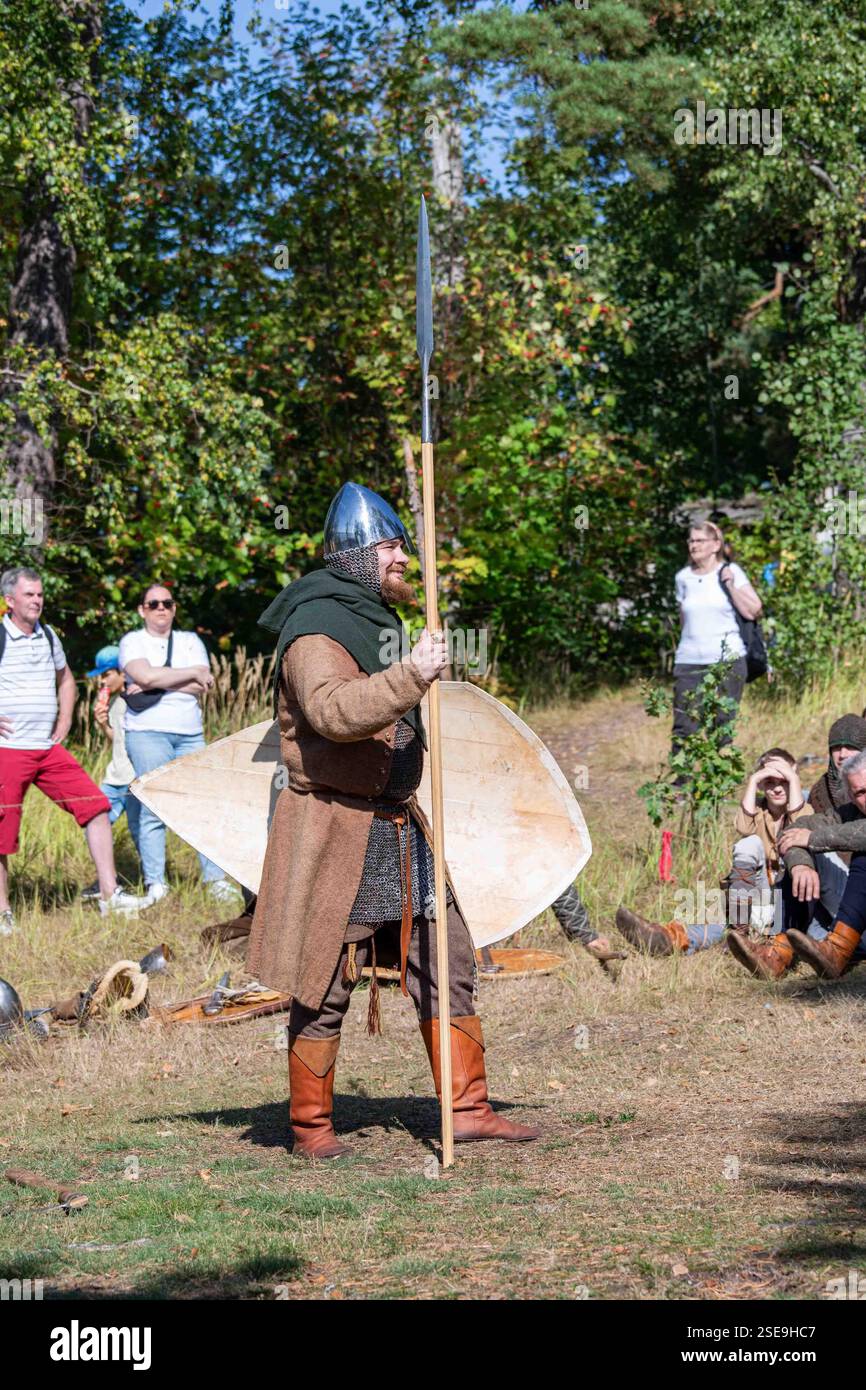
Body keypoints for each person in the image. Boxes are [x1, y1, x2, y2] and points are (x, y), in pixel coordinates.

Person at [247, 481, 540, 1158]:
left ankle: (466, 1107)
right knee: (324, 980)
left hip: (397, 827)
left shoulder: (375, 618)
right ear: (353, 553)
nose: (402, 556)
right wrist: (412, 673)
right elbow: (332, 712)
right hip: (335, 828)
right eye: (389, 545)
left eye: (402, 544)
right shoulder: (317, 629)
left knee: (449, 958)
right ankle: (312, 1128)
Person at [0, 567, 148, 933]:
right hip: (8, 749)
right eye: (29, 595)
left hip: (47, 749)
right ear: (9, 601)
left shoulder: (48, 635)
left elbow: (65, 679)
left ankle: (109, 895)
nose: (37, 600)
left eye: (39, 594)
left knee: (96, 807)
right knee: (2, 831)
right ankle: (3, 912)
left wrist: (65, 717)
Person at [616, 747, 809, 958]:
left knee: (728, 920)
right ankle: (668, 940)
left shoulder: (805, 805)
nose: (777, 788)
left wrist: (792, 777)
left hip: (789, 903)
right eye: (770, 781)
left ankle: (748, 938)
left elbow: (803, 823)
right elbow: (743, 828)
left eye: (783, 781)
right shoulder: (758, 810)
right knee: (748, 848)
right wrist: (753, 781)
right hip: (755, 902)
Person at [119, 583, 240, 908]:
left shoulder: (190, 640)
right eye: (153, 603)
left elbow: (204, 683)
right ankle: (156, 883)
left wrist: (157, 678)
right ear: (142, 609)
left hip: (189, 734)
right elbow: (144, 676)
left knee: (203, 804)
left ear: (174, 608)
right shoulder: (133, 640)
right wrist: (185, 676)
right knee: (154, 806)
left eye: (167, 603)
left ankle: (215, 879)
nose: (161, 608)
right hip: (147, 733)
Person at [730, 715, 866, 980]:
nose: (865, 798)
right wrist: (802, 864)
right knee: (799, 855)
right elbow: (796, 829)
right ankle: (777, 954)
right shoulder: (845, 809)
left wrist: (812, 840)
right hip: (843, 908)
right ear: (850, 793)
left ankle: (836, 949)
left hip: (852, 911)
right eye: (859, 792)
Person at [672, 521, 762, 757]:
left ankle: (719, 784)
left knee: (722, 725)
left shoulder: (730, 572)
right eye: (691, 540)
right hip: (688, 660)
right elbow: (684, 619)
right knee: (684, 725)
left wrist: (730, 585)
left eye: (699, 540)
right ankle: (682, 784)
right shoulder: (682, 578)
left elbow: (754, 611)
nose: (693, 545)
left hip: (727, 661)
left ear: (715, 544)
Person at [78, 645, 143, 900]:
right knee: (94, 823)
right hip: (113, 778)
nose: (102, 681)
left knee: (140, 832)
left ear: (122, 672)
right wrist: (103, 724)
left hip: (133, 779)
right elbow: (116, 740)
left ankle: (152, 881)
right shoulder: (114, 701)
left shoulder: (135, 700)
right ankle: (106, 880)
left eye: (106, 675)